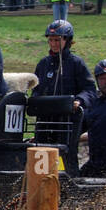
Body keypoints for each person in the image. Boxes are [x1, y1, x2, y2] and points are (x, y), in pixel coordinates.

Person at [32, 20, 96, 174]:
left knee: (66, 152)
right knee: (41, 150)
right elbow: (36, 89)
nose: (53, 44)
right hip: (45, 119)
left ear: (67, 41)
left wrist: (78, 100)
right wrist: (35, 100)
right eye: (51, 40)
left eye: (57, 40)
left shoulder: (76, 63)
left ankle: (70, 180)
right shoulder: (43, 64)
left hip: (68, 120)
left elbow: (90, 90)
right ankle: (42, 181)